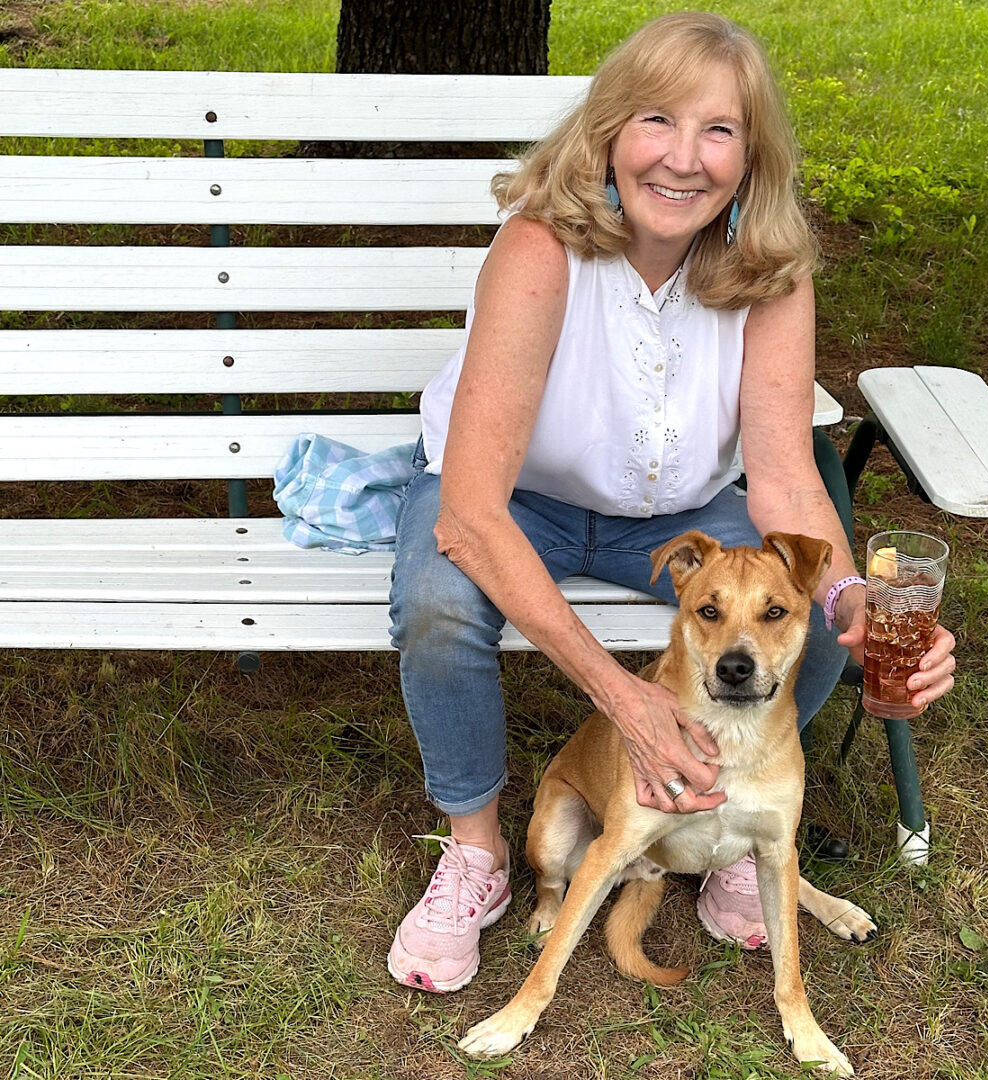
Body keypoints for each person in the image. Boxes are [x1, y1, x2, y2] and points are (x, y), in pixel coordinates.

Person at [385, 11, 957, 993]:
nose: (684, 160)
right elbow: (472, 512)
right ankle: (475, 854)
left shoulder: (769, 269)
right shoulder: (541, 251)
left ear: (751, 155)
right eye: (657, 120)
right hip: (519, 498)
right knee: (438, 601)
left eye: (719, 131)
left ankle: (724, 831)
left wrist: (853, 597)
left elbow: (781, 477)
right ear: (609, 131)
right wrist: (628, 700)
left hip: (678, 517)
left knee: (807, 613)